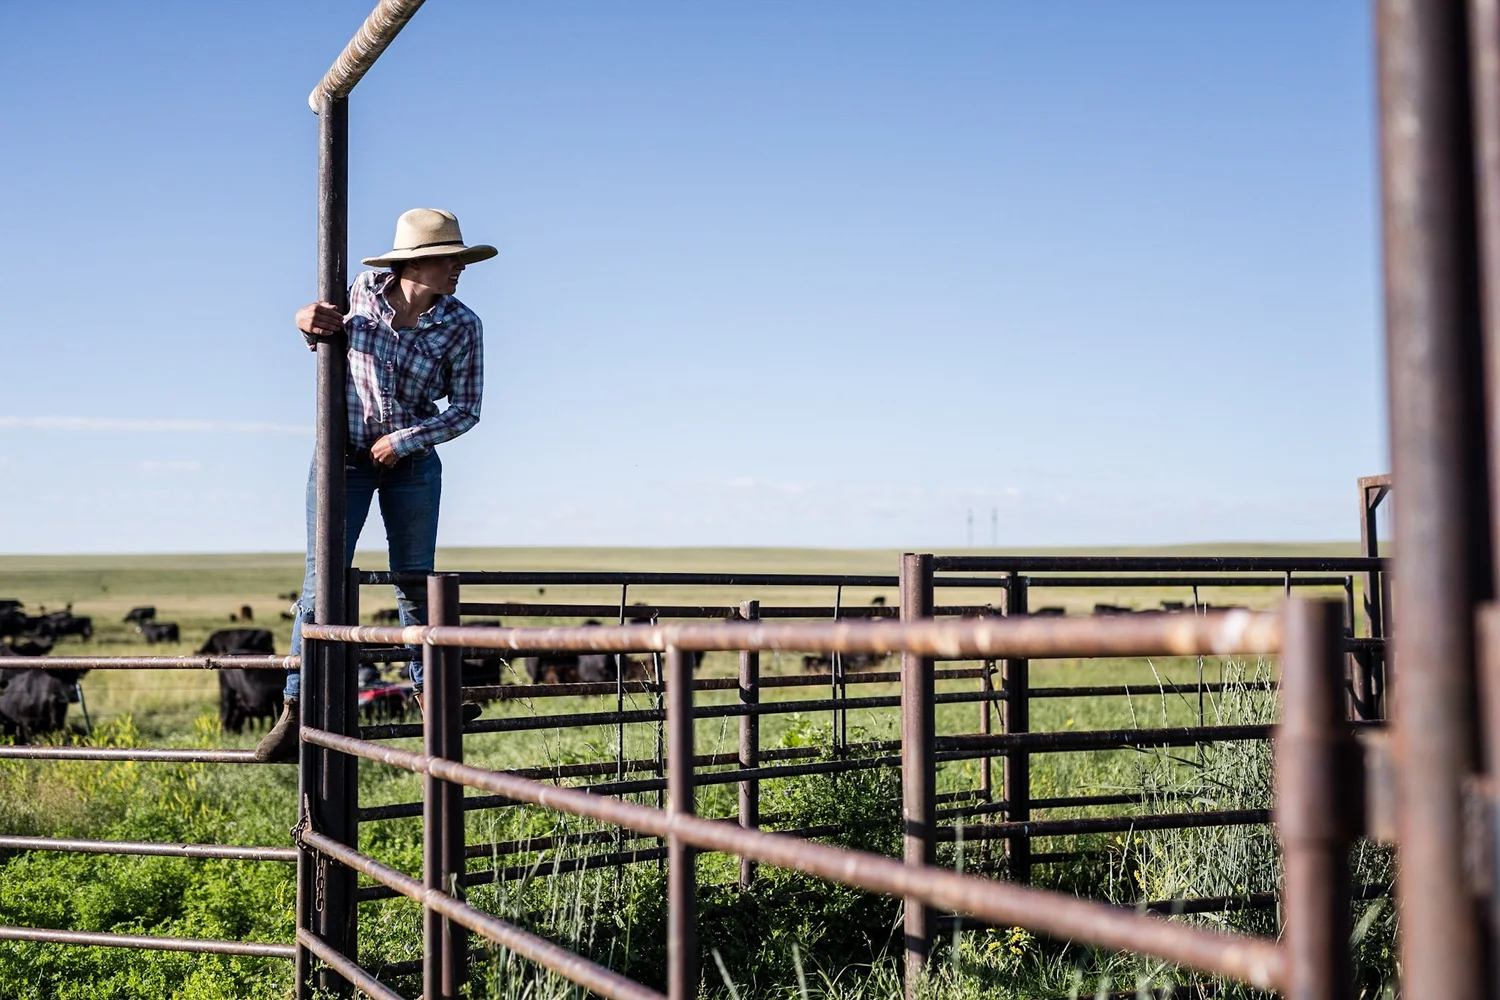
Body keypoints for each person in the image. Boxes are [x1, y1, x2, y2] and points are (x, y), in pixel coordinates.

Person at [255, 208, 493, 762]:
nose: (460, 268)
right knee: (321, 587)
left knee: (414, 582)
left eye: (460, 259)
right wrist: (300, 318)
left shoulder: (462, 324)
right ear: (416, 265)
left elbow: (466, 410)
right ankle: (296, 710)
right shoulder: (361, 290)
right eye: (449, 259)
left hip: (411, 464)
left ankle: (431, 698)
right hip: (343, 457)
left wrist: (405, 440)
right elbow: (317, 326)